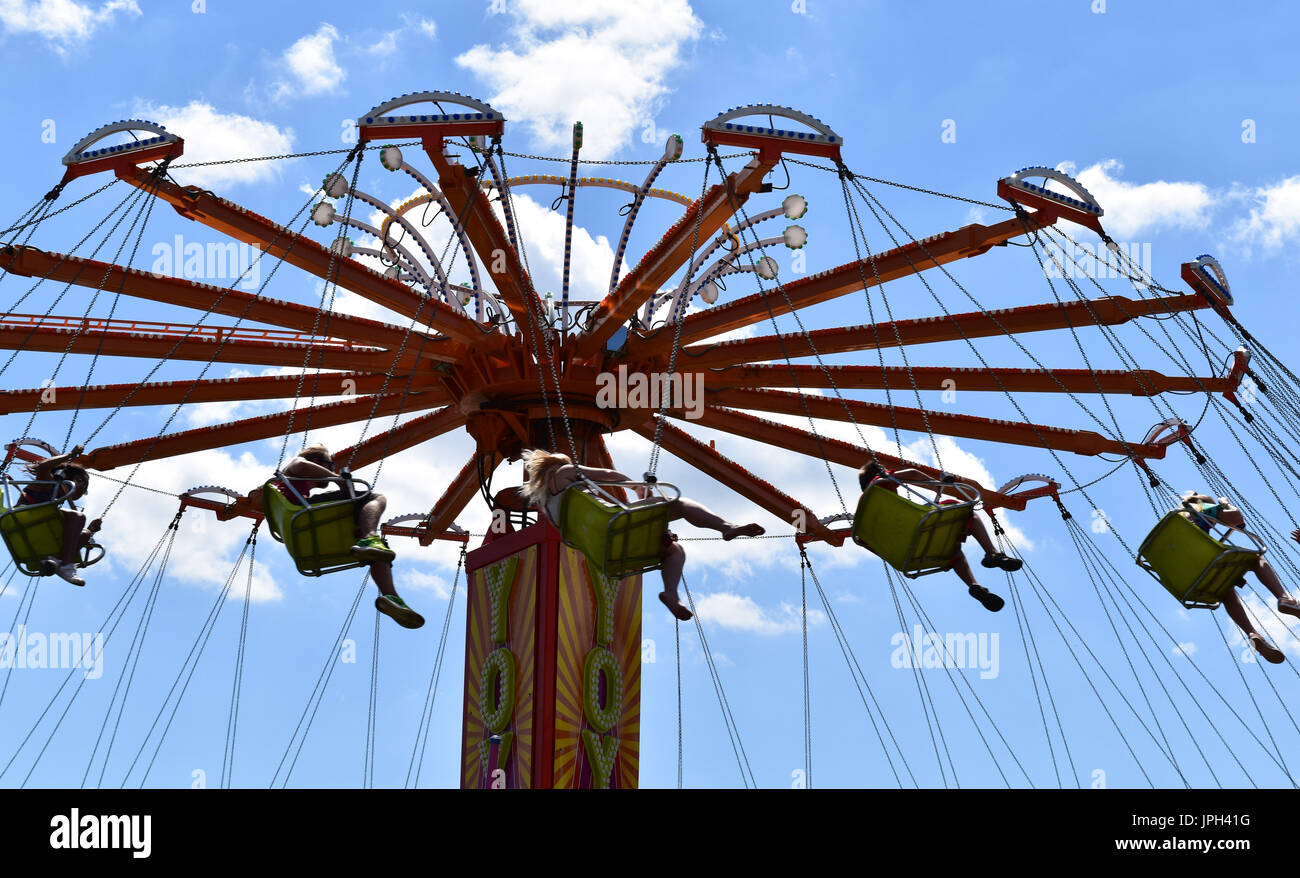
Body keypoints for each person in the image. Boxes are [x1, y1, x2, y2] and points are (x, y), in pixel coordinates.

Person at [519, 449, 765, 622]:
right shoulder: (562, 473)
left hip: (605, 550)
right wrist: (637, 487)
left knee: (673, 548)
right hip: (614, 522)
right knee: (681, 504)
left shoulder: (549, 510)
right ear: (556, 466)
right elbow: (608, 476)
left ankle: (672, 595)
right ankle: (726, 527)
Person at [275, 443, 423, 629]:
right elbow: (299, 465)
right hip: (305, 513)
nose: (331, 469)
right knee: (375, 497)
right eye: (330, 465)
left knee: (378, 551)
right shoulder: (296, 465)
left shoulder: (290, 486)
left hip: (305, 530)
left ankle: (391, 596)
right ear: (316, 462)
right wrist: (337, 479)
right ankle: (369, 537)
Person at [858, 461, 1020, 613]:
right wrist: (936, 485)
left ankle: (974, 586)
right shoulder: (879, 481)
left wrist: (890, 554)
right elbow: (913, 474)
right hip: (918, 528)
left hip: (905, 554)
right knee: (968, 512)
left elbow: (862, 540)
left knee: (952, 550)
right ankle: (992, 552)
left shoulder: (864, 511)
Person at [1180, 492, 1300, 664]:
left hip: (1189, 574)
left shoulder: (1176, 520)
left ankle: (1252, 634)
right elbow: (1236, 518)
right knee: (1256, 559)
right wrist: (1225, 504)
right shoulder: (1200, 507)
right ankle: (1285, 599)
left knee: (1225, 590)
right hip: (1205, 559)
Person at [14, 445, 101, 586]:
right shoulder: (47, 483)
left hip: (40, 523)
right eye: (81, 481)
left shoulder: (54, 500)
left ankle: (56, 561)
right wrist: (70, 455)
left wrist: (91, 529)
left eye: (85, 488)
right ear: (65, 476)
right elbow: (43, 467)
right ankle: (66, 565)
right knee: (78, 517)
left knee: (85, 534)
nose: (83, 487)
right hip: (25, 515)